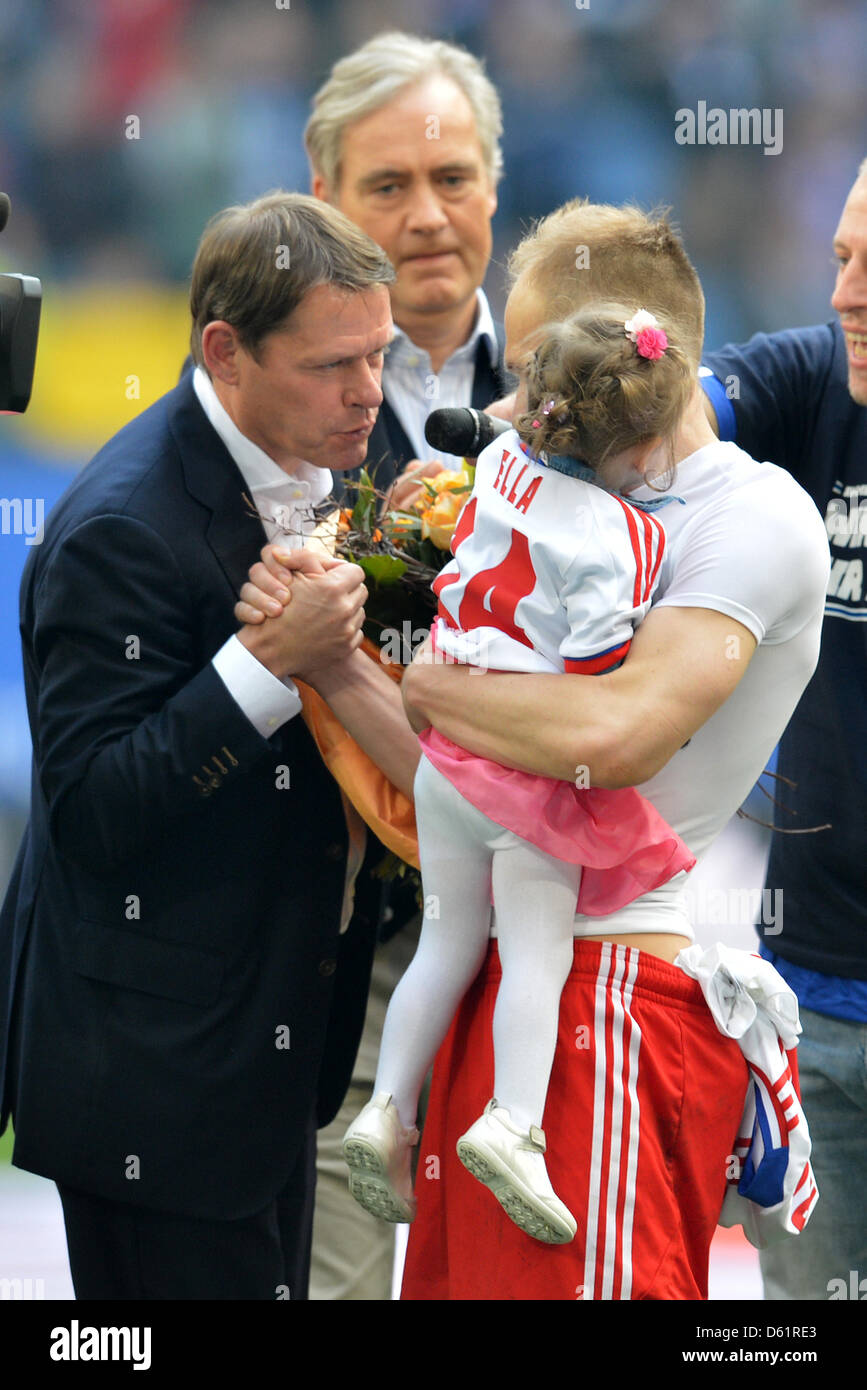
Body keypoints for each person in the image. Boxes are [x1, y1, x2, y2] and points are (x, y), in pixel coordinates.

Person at [392, 200, 831, 1300]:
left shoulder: (754, 518)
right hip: (517, 979)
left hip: (613, 997)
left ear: (625, 365)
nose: (515, 413)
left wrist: (432, 683)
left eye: (535, 375)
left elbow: (615, 735)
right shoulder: (576, 491)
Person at [0, 191, 421, 1300]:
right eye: (335, 364)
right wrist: (266, 664)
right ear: (224, 352)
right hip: (157, 1088)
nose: (370, 393)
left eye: (378, 355)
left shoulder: (325, 454)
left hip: (269, 1058)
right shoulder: (120, 528)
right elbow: (92, 812)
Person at [341, 303, 698, 1246]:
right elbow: (595, 675)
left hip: (445, 759)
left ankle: (384, 1111)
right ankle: (513, 1123)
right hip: (525, 775)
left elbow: (497, 455)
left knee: (445, 945)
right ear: (649, 439)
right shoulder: (627, 537)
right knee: (532, 956)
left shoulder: (499, 466)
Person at [302, 30, 509, 1299]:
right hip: (331, 947)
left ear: (497, 182)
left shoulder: (590, 386)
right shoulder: (267, 394)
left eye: (454, 177)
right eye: (387, 187)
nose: (428, 216)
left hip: (531, 950)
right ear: (324, 200)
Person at [698, 158, 867, 1301]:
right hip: (815, 1002)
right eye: (845, 259)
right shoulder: (819, 388)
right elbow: (668, 407)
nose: (847, 294)